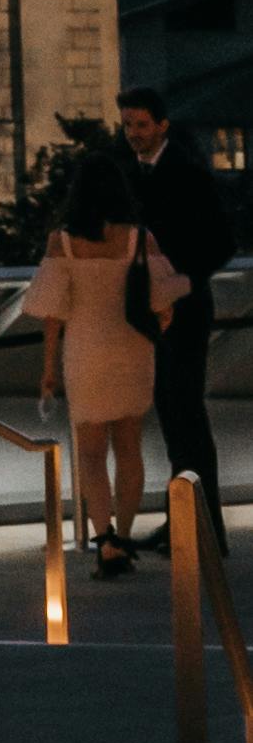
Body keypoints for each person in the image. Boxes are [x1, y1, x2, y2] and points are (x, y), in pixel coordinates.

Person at [27, 140, 181, 580]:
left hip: (85, 350)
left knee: (91, 454)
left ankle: (106, 540)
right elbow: (166, 306)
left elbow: (52, 314)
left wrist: (47, 373)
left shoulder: (63, 243)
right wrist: (149, 340)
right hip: (132, 348)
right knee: (129, 448)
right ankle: (127, 537)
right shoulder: (139, 238)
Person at [119, 87, 230, 532]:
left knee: (185, 412)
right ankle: (185, 521)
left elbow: (222, 242)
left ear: (162, 125)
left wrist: (179, 282)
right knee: (173, 411)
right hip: (157, 310)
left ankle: (201, 524)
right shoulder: (132, 173)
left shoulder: (187, 173)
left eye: (141, 125)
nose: (133, 134)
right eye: (128, 125)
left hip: (183, 308)